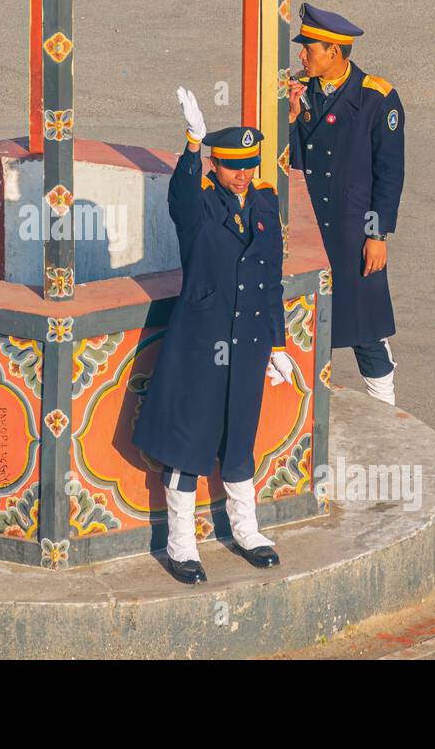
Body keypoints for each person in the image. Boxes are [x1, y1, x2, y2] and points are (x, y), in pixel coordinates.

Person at [131, 88, 298, 585]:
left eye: (249, 164)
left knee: (240, 443)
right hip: (200, 347)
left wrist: (278, 342)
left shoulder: (265, 204)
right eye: (232, 166)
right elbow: (179, 195)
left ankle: (247, 532)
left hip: (246, 345)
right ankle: (182, 546)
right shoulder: (199, 206)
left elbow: (271, 277)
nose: (242, 174)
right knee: (188, 447)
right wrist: (191, 144)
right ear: (215, 166)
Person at [286, 3, 405, 406]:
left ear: (334, 52)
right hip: (307, 230)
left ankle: (386, 407)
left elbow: (389, 174)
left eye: (309, 49)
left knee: (365, 329)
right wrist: (289, 118)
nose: (302, 56)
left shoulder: (377, 99)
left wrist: (378, 234)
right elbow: (292, 164)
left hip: (354, 232)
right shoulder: (299, 92)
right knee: (299, 325)